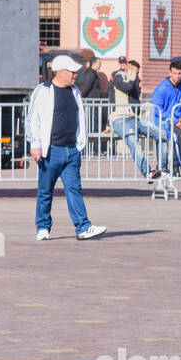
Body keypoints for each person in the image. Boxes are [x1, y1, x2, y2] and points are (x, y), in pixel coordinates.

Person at [26, 54, 106, 241]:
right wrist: (34, 144)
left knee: (74, 189)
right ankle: (43, 227)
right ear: (60, 72)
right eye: (72, 72)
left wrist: (79, 145)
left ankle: (83, 227)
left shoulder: (74, 91)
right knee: (45, 190)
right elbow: (32, 120)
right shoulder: (43, 90)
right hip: (51, 150)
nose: (75, 75)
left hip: (71, 150)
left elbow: (79, 118)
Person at [108, 57, 165, 181]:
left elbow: (135, 100)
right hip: (120, 119)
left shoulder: (134, 81)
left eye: (137, 72)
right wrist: (132, 73)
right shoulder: (118, 76)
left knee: (161, 134)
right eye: (134, 70)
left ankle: (162, 169)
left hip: (134, 120)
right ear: (127, 66)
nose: (135, 74)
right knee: (135, 143)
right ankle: (148, 172)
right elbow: (126, 87)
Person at [150, 60, 181, 174]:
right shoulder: (161, 88)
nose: (177, 76)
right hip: (164, 121)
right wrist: (175, 120)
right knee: (178, 133)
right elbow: (158, 109)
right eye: (175, 73)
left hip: (180, 121)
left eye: (179, 74)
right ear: (170, 73)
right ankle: (175, 165)